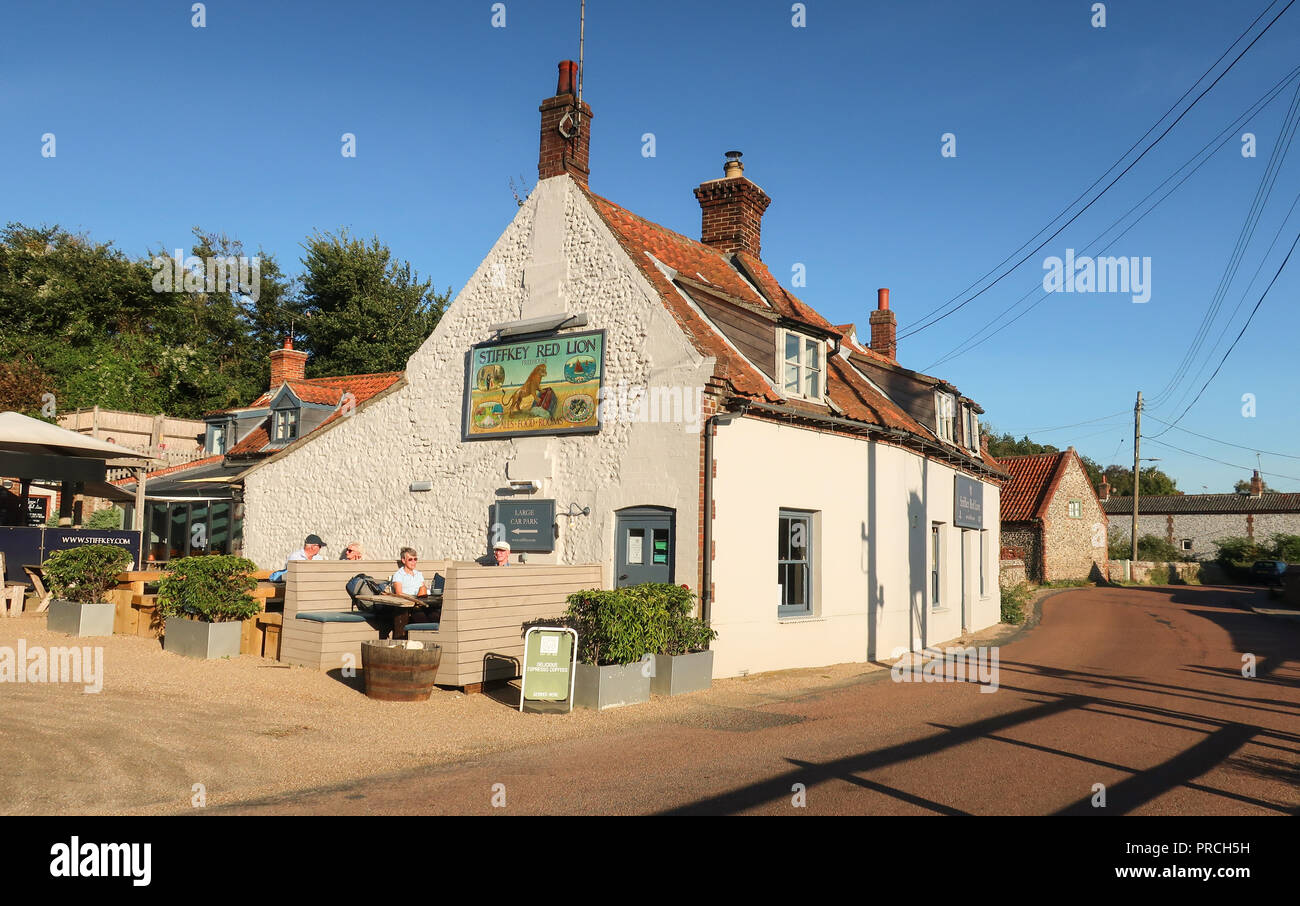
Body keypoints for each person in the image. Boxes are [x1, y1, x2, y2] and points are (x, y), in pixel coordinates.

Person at [388, 547, 439, 639]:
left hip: (423, 603)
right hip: (410, 607)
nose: (413, 562)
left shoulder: (418, 574)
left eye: (415, 559)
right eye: (410, 559)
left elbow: (423, 589)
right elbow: (399, 593)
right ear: (403, 560)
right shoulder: (399, 575)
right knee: (423, 619)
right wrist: (414, 598)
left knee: (437, 616)